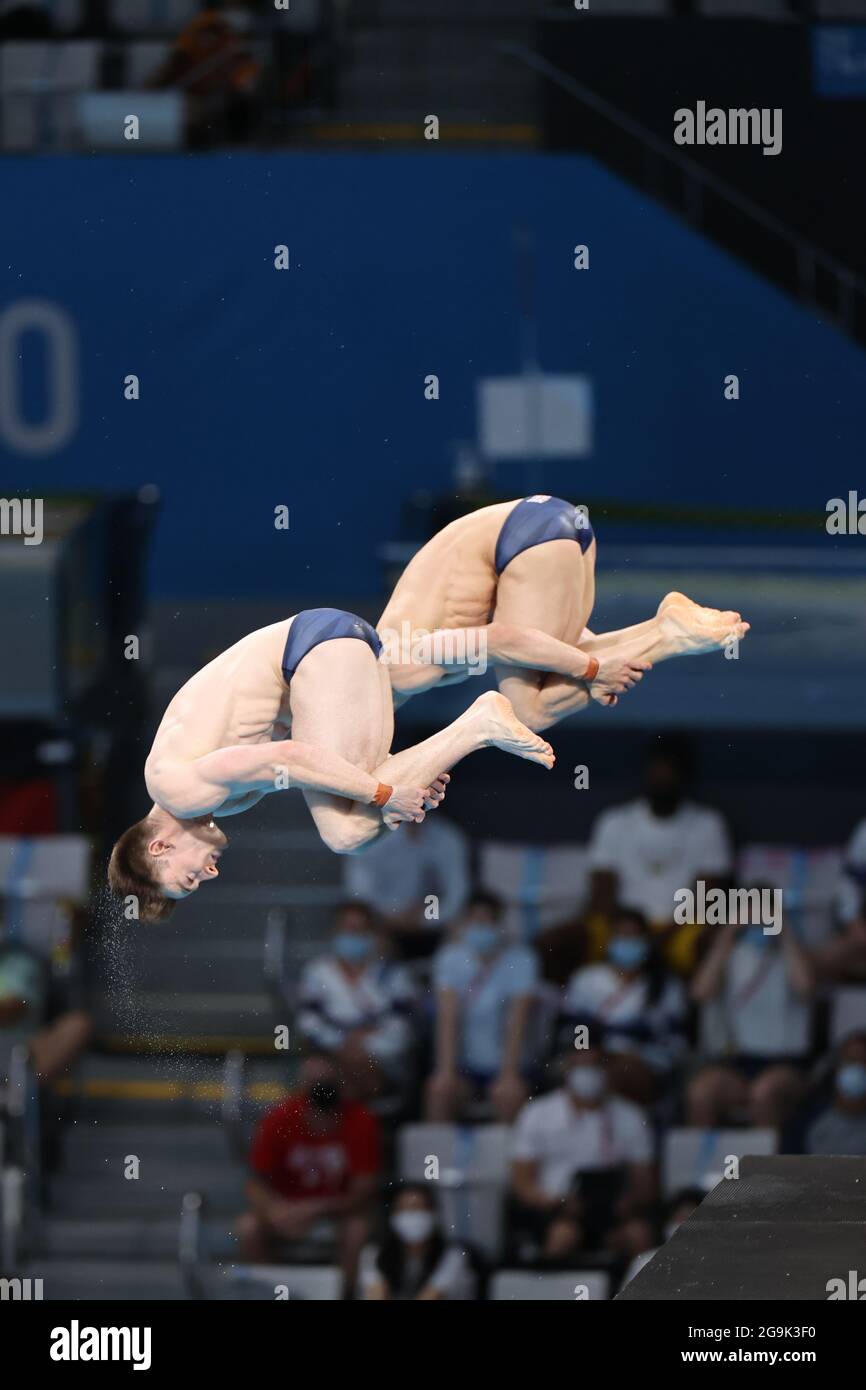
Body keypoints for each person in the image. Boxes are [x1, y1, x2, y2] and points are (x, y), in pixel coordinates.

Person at [107, 607, 554, 920]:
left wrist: (386, 794)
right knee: (357, 820)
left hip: (316, 651)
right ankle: (468, 702)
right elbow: (299, 748)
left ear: (159, 847)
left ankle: (478, 723)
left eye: (189, 879)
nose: (210, 872)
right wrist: (401, 783)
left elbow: (292, 756)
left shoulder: (176, 790)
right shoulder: (220, 803)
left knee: (347, 830)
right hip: (328, 650)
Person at [377, 495, 749, 729]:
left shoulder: (395, 666)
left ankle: (669, 639)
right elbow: (542, 643)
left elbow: (503, 638)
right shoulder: (392, 645)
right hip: (554, 524)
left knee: (526, 713)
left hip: (527, 542)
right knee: (557, 671)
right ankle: (663, 626)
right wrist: (593, 668)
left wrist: (595, 671)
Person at [237, 1051, 381, 1298]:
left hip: (339, 1211)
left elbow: (364, 1190)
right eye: (314, 1081)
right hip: (288, 1208)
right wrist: (275, 1210)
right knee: (248, 1228)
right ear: (302, 1084)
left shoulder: (360, 1120)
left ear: (340, 1081)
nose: (320, 1087)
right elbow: (255, 1182)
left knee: (357, 1231)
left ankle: (343, 1295)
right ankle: (273, 1293)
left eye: (326, 1079)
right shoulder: (279, 1118)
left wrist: (317, 1208)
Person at [585, 738, 732, 971]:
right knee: (569, 938)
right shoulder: (614, 821)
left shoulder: (707, 824)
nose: (662, 781)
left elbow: (707, 896)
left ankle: (692, 1006)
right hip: (623, 923)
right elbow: (602, 891)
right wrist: (628, 931)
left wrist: (662, 937)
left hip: (681, 926)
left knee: (709, 942)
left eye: (669, 775)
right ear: (646, 775)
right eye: (657, 774)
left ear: (683, 778)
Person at [509, 1044, 656, 1264]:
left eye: (594, 1065)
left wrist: (626, 1203)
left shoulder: (630, 1116)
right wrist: (555, 1202)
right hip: (556, 1211)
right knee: (563, 1236)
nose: (588, 1074)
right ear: (566, 1069)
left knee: (639, 1235)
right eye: (580, 1065)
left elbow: (645, 1187)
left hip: (613, 1213)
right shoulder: (537, 1114)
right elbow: (522, 1184)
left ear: (607, 1069)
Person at [687, 912, 815, 1128]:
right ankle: (702, 1161)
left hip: (787, 1063)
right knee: (701, 1092)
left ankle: (764, 1162)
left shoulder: (796, 957)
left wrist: (785, 933)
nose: (757, 923)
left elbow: (806, 988)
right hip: (738, 1061)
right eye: (750, 916)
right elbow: (700, 993)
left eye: (764, 915)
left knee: (763, 1093)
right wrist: (727, 933)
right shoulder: (732, 957)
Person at [426, 892, 539, 1122]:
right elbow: (447, 1019)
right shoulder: (450, 958)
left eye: (489, 921)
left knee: (508, 1095)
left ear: (500, 925)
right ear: (465, 923)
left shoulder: (522, 960)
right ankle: (435, 1157)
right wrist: (446, 1072)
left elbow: (517, 1022)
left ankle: (507, 1157)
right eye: (477, 921)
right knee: (439, 1091)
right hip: (464, 1066)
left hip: (507, 1063)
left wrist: (508, 1075)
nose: (482, 927)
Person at [562, 908, 688, 1105]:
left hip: (646, 1061)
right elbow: (577, 1025)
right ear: (610, 940)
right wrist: (584, 1051)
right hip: (595, 1056)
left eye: (633, 936)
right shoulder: (587, 979)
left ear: (645, 942)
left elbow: (672, 1037)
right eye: (621, 935)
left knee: (620, 1072)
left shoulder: (665, 985)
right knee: (582, 1072)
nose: (627, 941)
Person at [296, 902, 417, 1101]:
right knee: (316, 1071)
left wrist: (366, 1046)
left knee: (358, 1073)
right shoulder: (317, 972)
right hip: (332, 1055)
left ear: (372, 935)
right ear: (335, 933)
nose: (354, 936)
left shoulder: (394, 976)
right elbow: (308, 1024)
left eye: (361, 930)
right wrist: (343, 1044)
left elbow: (402, 1030)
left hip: (381, 1060)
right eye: (348, 930)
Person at [343, 812, 470, 959]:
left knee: (459, 928)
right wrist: (391, 913)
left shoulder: (447, 836)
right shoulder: (373, 833)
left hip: (433, 920)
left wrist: (427, 917)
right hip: (383, 920)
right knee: (359, 921)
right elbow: (359, 890)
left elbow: (457, 891)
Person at [360, 1184, 478, 1301]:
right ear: (392, 1216)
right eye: (404, 1209)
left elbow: (433, 1295)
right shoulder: (374, 1253)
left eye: (418, 1208)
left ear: (434, 1214)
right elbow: (375, 1294)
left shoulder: (453, 1255)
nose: (412, 1215)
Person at [802, 1032, 866, 1156]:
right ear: (837, 1068)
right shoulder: (810, 1121)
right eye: (851, 1060)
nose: (857, 1068)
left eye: (864, 1062)